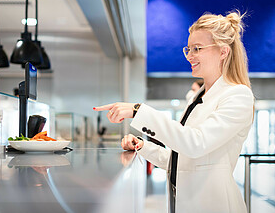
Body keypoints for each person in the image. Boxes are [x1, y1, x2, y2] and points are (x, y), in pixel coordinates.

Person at [94, 11, 254, 213]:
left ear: (223, 52)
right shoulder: (198, 97)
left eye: (197, 49)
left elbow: (195, 144)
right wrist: (143, 147)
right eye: (188, 49)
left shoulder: (238, 95)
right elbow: (180, 159)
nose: (190, 56)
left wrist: (138, 111)